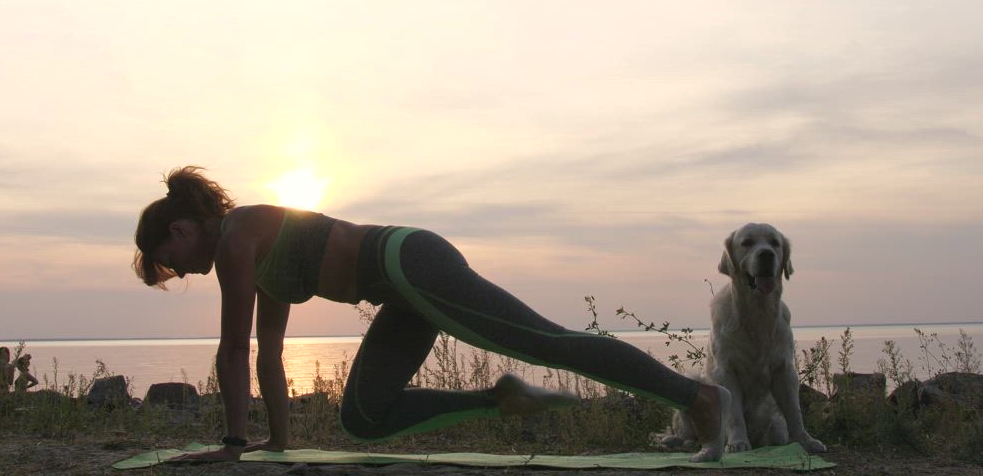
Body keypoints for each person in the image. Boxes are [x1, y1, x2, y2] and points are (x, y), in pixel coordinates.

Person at [132, 166, 729, 463]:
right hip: (400, 296)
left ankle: (695, 397)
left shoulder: (238, 238)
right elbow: (264, 351)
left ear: (181, 228)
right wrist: (273, 443)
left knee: (541, 340)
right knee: (365, 418)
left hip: (409, 261)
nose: (181, 273)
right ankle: (501, 399)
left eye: (170, 260)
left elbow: (231, 349)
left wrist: (232, 444)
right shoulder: (255, 257)